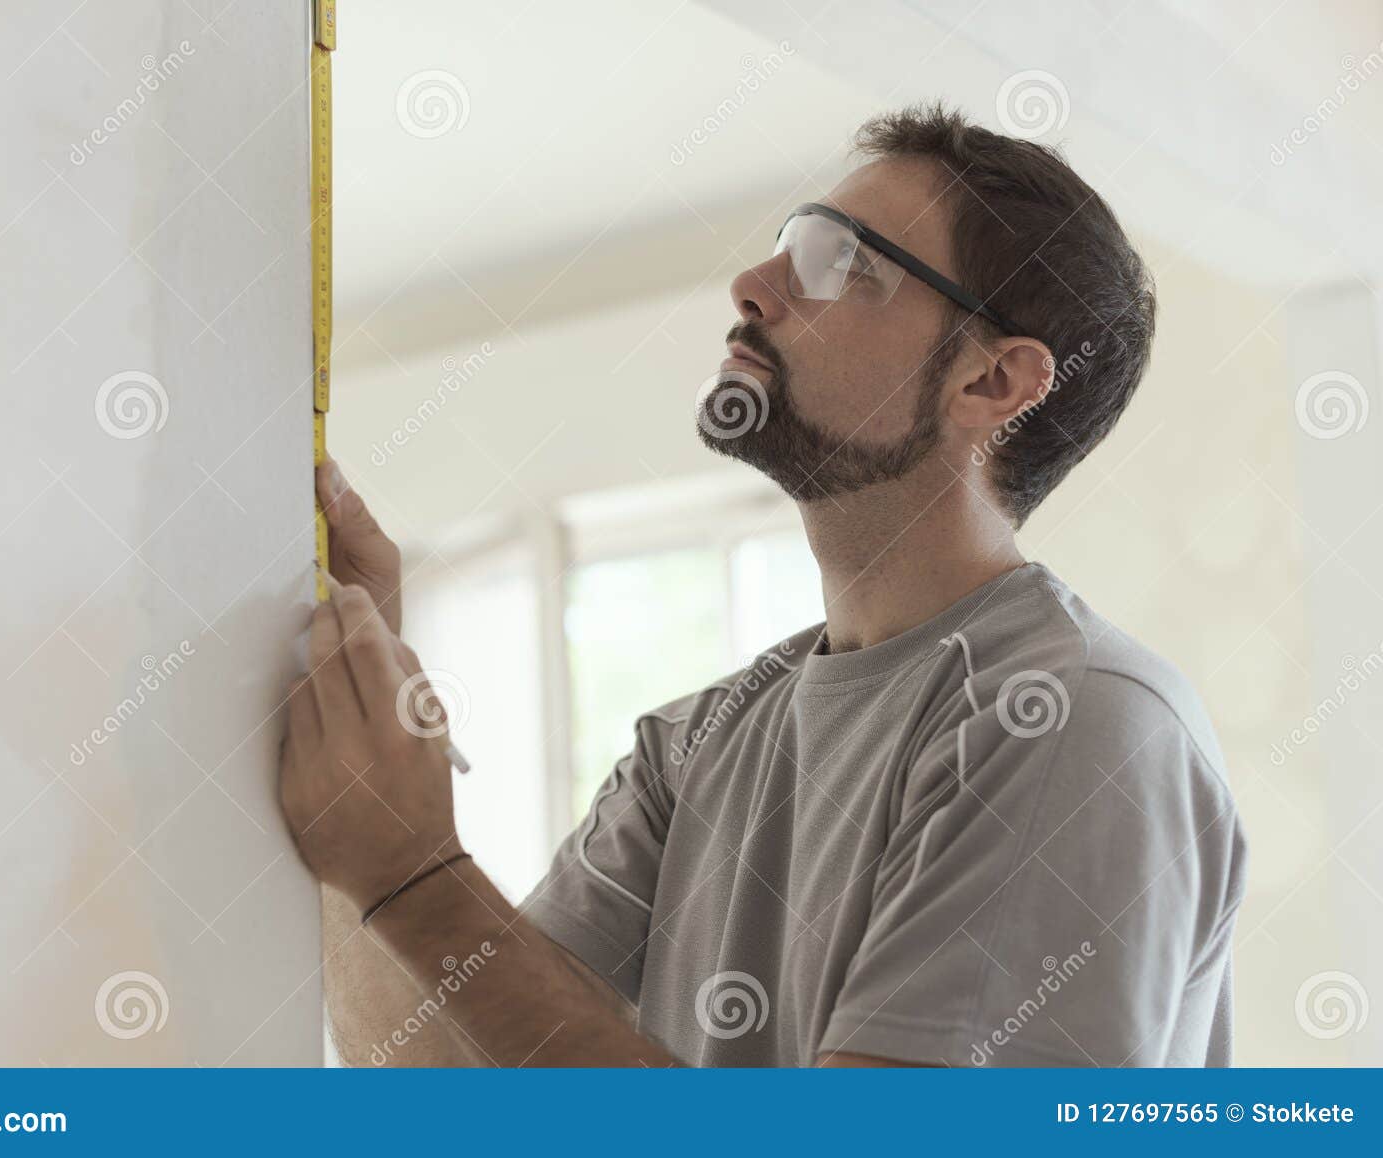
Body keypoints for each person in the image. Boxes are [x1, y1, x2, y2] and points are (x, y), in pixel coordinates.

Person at [277, 102, 1248, 1067]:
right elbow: (434, 1075)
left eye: (841, 261)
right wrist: (357, 751)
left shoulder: (1072, 725)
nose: (751, 284)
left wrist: (416, 869)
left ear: (991, 385)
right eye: (788, 244)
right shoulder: (694, 748)